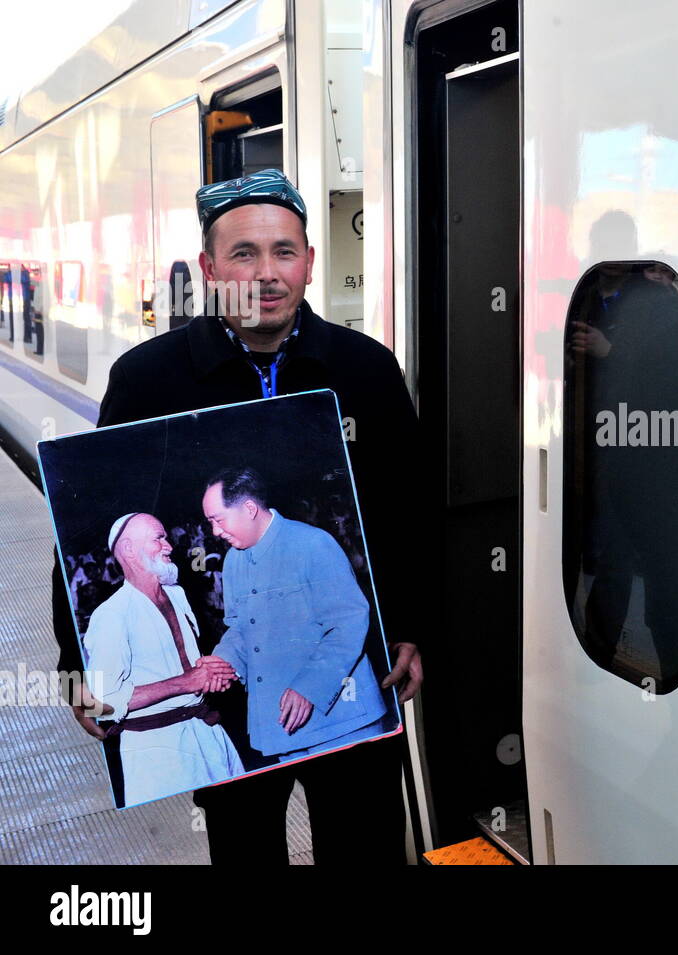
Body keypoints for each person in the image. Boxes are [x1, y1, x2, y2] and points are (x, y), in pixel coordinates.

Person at [52, 167, 423, 864]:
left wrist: (411, 625)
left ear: (310, 261)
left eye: (284, 251)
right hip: (245, 714)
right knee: (244, 848)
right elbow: (69, 530)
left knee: (366, 845)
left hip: (353, 694)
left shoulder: (367, 368)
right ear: (209, 267)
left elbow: (409, 510)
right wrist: (80, 664)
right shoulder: (148, 378)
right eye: (244, 254)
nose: (267, 272)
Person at [202, 467, 390, 763]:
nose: (215, 531)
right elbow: (240, 627)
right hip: (283, 729)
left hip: (342, 723)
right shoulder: (233, 560)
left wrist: (309, 687)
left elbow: (348, 623)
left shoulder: (312, 544)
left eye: (218, 520)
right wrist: (222, 662)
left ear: (249, 509)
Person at [84, 512, 244, 807]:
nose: (169, 545)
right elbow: (101, 703)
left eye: (166, 537)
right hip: (157, 753)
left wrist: (211, 675)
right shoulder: (111, 615)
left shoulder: (177, 595)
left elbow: (187, 666)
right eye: (158, 538)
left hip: (208, 732)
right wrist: (185, 683)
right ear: (129, 549)